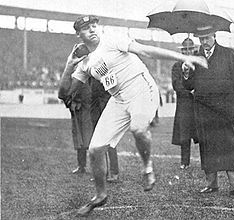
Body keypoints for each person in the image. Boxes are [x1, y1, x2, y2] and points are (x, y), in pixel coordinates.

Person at [60, 15, 207, 216]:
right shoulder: (84, 62)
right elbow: (65, 92)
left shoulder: (112, 39)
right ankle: (100, 195)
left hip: (141, 88)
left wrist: (183, 57)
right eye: (86, 28)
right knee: (94, 150)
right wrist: (69, 65)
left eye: (94, 25)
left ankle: (147, 168)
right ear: (78, 34)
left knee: (138, 128)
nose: (93, 29)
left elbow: (147, 51)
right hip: (117, 100)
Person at [182, 26, 234, 196]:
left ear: (214, 35)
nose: (204, 42)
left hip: (225, 110)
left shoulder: (229, 54)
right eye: (201, 39)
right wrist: (186, 73)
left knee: (229, 145)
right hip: (203, 110)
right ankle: (211, 184)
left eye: (206, 38)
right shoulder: (195, 58)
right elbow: (189, 86)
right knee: (207, 146)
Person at [171, 38, 198, 169]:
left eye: (190, 49)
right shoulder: (177, 66)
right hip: (184, 106)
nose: (188, 51)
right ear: (182, 51)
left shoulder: (198, 65)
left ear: (194, 50)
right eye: (185, 49)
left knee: (202, 134)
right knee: (184, 135)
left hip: (198, 104)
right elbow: (176, 85)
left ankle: (206, 161)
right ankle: (185, 162)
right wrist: (189, 91)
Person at [89, 77, 119, 182]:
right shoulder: (91, 67)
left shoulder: (107, 66)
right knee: (97, 140)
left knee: (110, 140)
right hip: (94, 106)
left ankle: (114, 172)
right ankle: (102, 173)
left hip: (107, 105)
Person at [59, 81, 94, 174]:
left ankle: (94, 167)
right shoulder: (76, 73)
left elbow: (87, 93)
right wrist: (70, 101)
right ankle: (81, 166)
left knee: (88, 138)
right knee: (80, 138)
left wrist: (73, 99)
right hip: (78, 111)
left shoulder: (86, 75)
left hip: (86, 110)